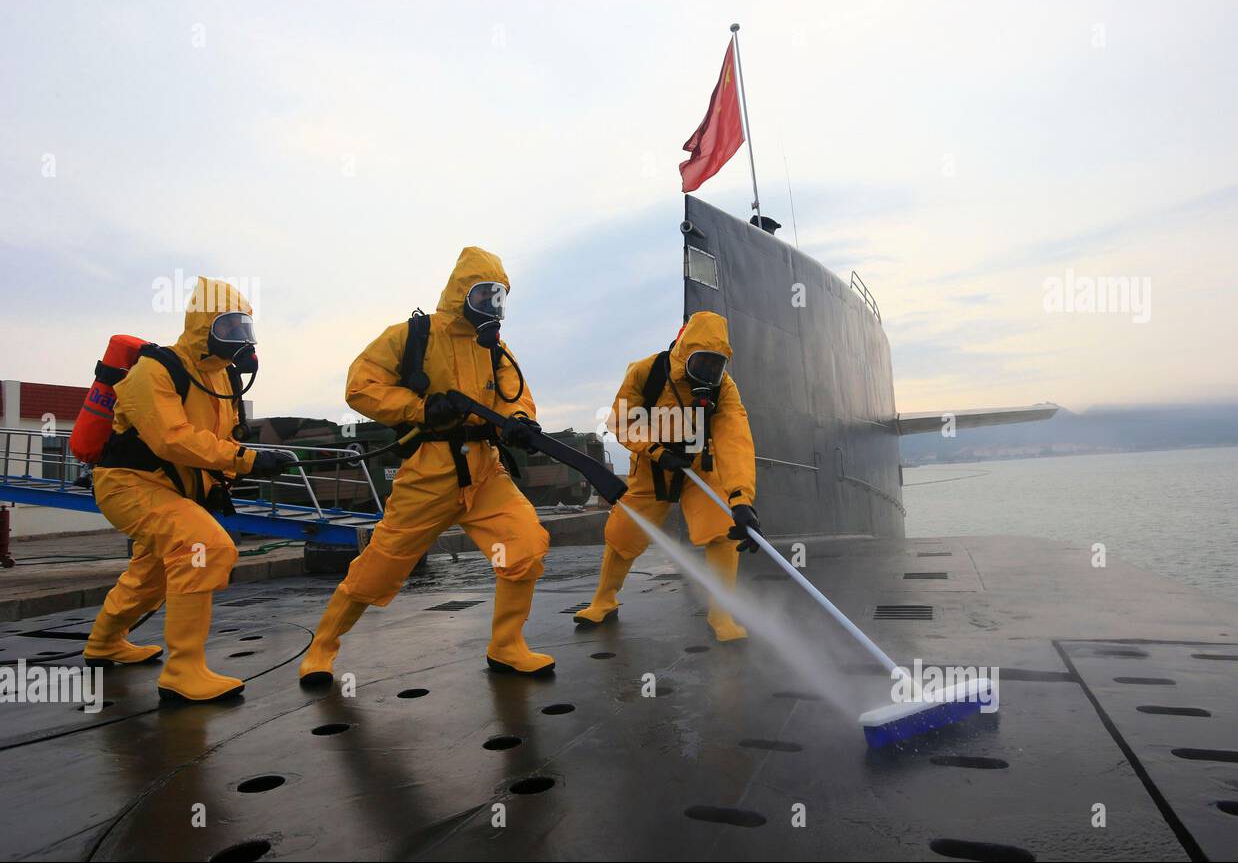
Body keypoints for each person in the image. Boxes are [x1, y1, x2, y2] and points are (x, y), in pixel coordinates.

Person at [299, 246, 553, 686]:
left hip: (486, 471)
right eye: (482, 296)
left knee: (525, 546)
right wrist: (419, 408)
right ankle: (321, 650)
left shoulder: (495, 348)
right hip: (429, 474)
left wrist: (520, 422)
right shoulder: (411, 335)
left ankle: (506, 646)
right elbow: (360, 386)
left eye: (498, 298)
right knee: (378, 568)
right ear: (460, 294)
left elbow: (516, 396)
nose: (491, 307)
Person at [83, 277, 286, 701]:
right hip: (128, 485)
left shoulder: (225, 379)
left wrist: (247, 465)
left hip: (172, 491)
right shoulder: (154, 370)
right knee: (203, 546)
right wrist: (247, 460)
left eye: (243, 328)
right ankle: (183, 672)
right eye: (228, 328)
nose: (238, 338)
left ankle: (104, 643)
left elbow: (220, 438)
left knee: (150, 575)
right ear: (201, 325)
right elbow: (170, 439)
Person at [575, 310, 760, 641]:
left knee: (721, 531)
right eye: (701, 363)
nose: (707, 373)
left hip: (700, 467)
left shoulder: (724, 389)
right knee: (623, 533)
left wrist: (741, 499)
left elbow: (735, 441)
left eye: (715, 366)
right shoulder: (647, 373)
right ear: (684, 352)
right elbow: (620, 421)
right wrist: (658, 451)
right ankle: (604, 600)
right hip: (652, 467)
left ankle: (721, 613)